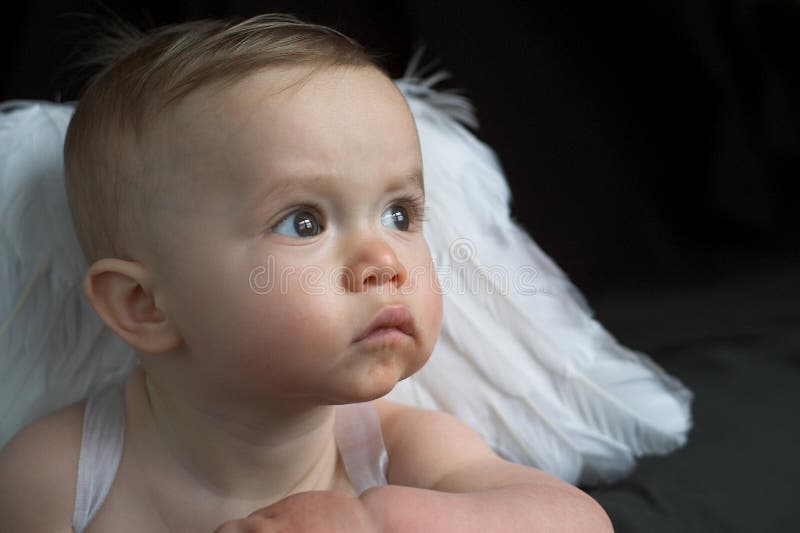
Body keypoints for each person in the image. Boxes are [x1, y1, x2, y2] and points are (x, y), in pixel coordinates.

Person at [0, 13, 613, 532]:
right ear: (143, 304)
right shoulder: (62, 477)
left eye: (399, 213)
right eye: (304, 222)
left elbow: (581, 522)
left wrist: (376, 522)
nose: (384, 264)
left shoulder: (396, 450)